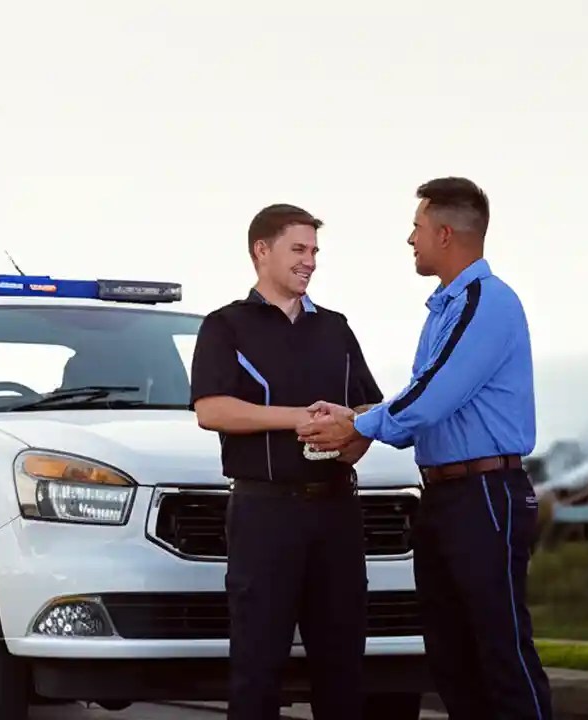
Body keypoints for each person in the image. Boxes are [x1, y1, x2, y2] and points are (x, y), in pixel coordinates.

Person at [297, 177, 553, 719]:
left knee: (500, 649)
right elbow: (424, 397)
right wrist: (361, 417)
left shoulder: (487, 302)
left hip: (485, 495)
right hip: (443, 495)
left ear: (443, 233)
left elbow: (432, 397)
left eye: (415, 228)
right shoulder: (445, 307)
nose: (409, 239)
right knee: (452, 656)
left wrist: (360, 429)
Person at [189, 203, 384, 720]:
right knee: (258, 664)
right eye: (299, 249)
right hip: (264, 513)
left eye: (314, 251)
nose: (310, 261)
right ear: (262, 251)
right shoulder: (225, 327)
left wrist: (356, 433)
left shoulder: (337, 329)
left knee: (342, 663)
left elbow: (370, 406)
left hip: (338, 512)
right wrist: (298, 417)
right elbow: (211, 410)